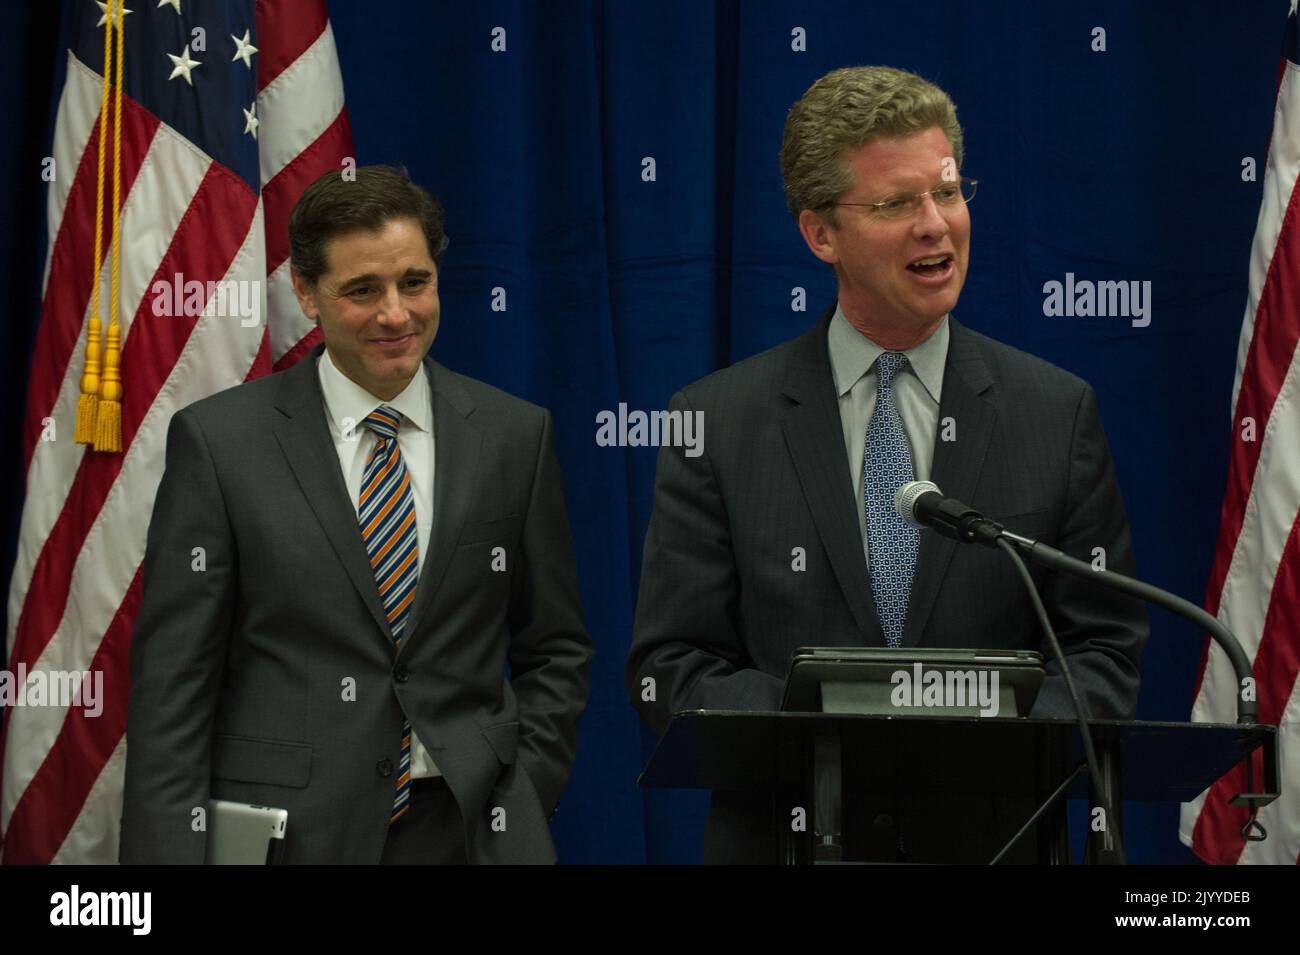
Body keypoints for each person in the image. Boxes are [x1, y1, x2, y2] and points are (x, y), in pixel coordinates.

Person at [625, 66, 1147, 863]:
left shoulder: (1055, 410)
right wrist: (834, 716)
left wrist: (975, 727)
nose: (936, 226)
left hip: (993, 843)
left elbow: (1105, 653)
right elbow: (671, 667)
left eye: (947, 191)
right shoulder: (720, 421)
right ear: (820, 234)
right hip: (791, 841)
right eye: (896, 203)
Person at [120, 165, 593, 864]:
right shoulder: (221, 445)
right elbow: (173, 689)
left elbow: (555, 648)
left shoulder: (514, 436)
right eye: (362, 290)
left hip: (467, 832)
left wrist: (520, 791)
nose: (396, 314)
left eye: (414, 282)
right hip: (290, 837)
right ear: (307, 294)